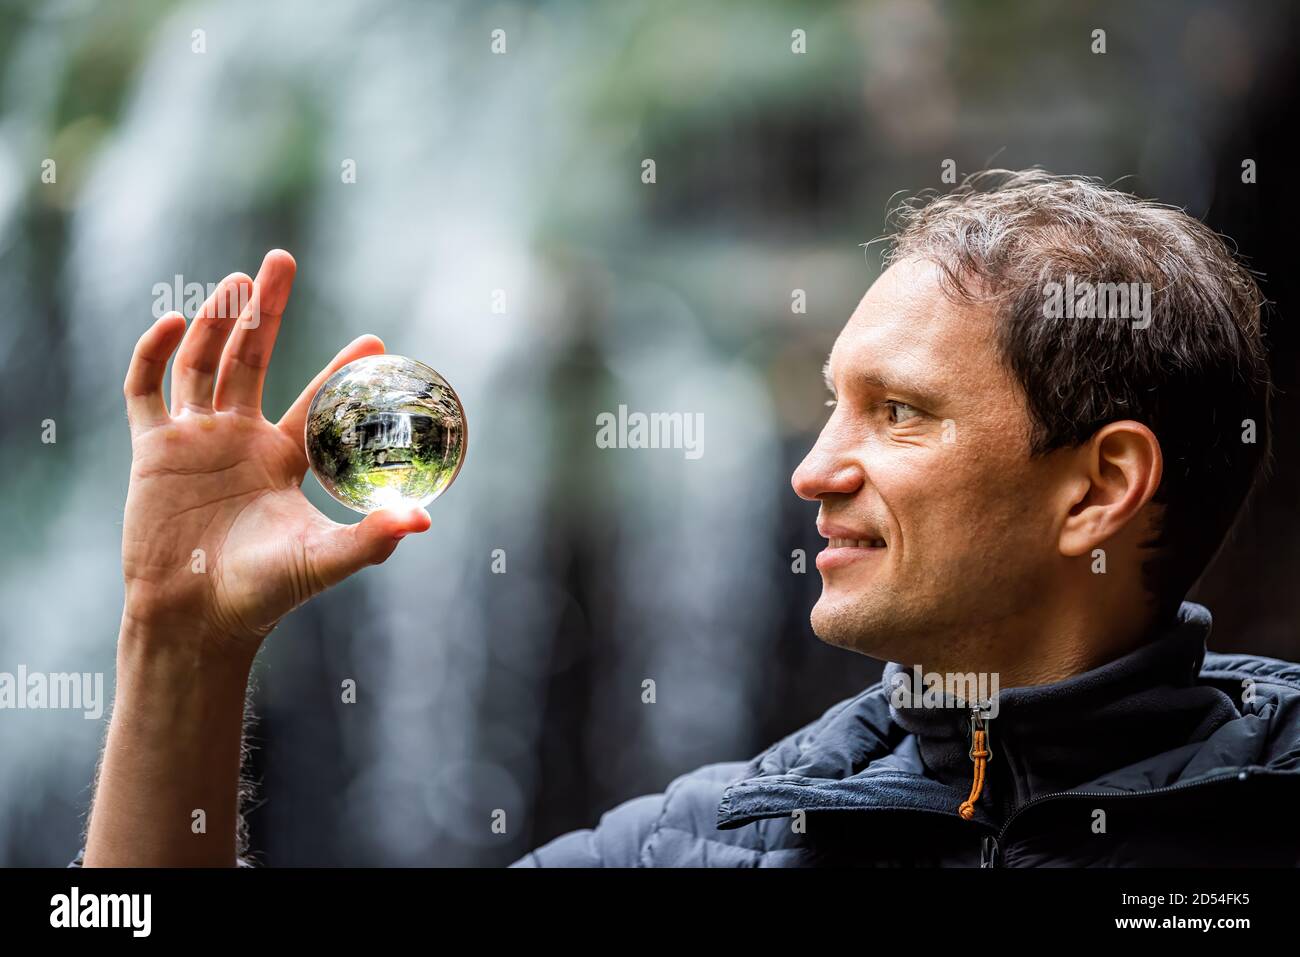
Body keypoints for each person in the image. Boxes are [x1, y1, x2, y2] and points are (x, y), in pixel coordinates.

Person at [78, 170, 1300, 868]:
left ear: (1098, 487)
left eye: (900, 413)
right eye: (830, 406)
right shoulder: (704, 847)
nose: (813, 469)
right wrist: (182, 640)